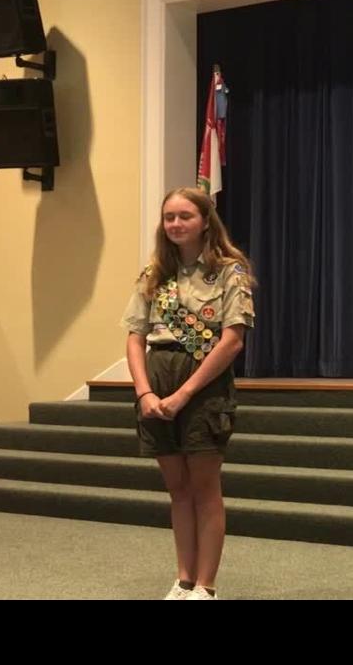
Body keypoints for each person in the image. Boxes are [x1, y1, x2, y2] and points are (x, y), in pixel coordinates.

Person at [119, 187, 255, 600]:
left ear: (204, 221)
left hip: (203, 385)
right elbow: (134, 338)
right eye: (169, 217)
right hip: (156, 382)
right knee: (176, 489)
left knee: (204, 489)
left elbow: (232, 341)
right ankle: (183, 579)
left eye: (185, 216)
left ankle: (206, 586)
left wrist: (184, 394)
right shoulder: (153, 275)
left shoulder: (230, 272)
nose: (175, 224)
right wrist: (144, 393)